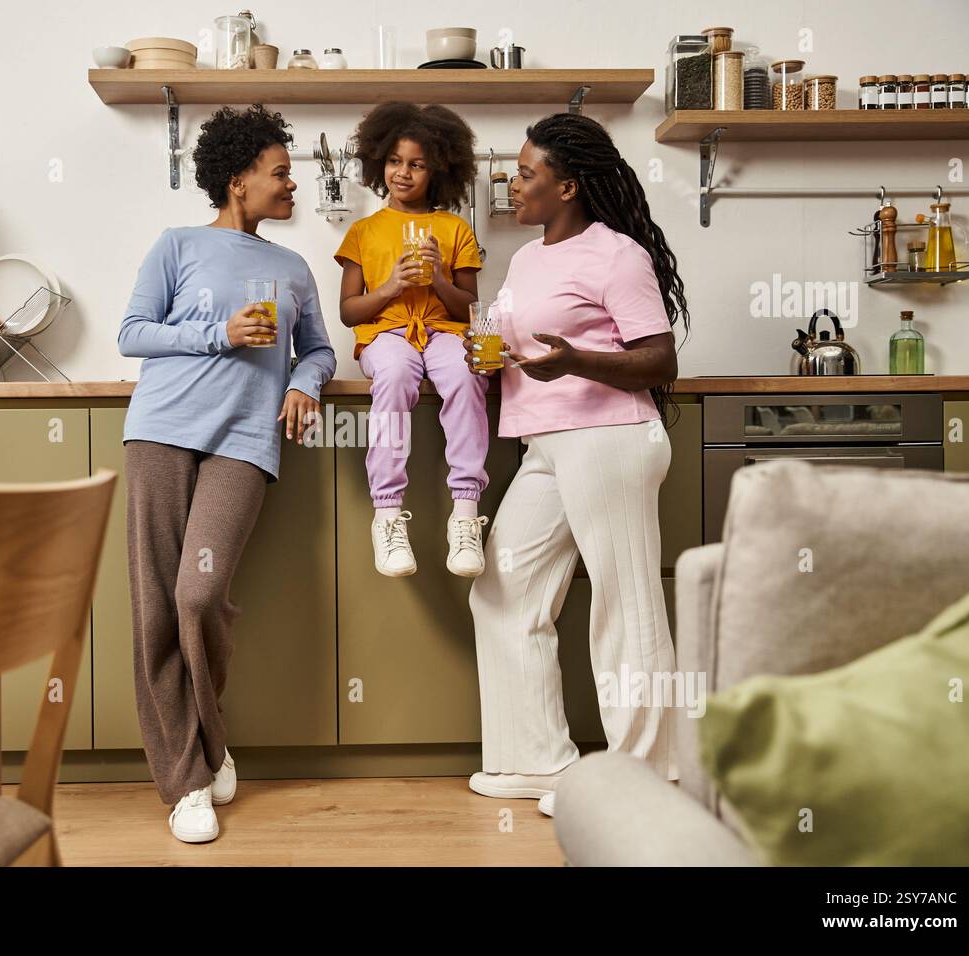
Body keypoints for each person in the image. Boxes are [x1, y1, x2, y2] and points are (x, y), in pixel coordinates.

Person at [118, 104, 336, 843]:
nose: (292, 184)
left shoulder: (293, 267)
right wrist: (220, 332)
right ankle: (186, 782)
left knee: (199, 594)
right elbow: (132, 334)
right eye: (281, 172)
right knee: (154, 610)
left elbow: (320, 350)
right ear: (239, 180)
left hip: (245, 440)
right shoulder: (177, 245)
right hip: (160, 432)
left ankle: (211, 743)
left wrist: (306, 381)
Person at [464, 112, 688, 818]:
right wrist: (485, 356)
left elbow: (659, 359)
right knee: (502, 590)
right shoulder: (528, 259)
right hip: (545, 444)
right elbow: (513, 345)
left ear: (566, 186)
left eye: (527, 173)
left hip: (611, 438)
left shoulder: (615, 254)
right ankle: (538, 762)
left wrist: (575, 361)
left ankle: (645, 775)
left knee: (625, 605)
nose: (514, 182)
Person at [335, 102, 490, 578]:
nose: (403, 173)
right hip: (385, 334)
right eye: (395, 161)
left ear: (438, 169)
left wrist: (440, 278)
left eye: (417, 164)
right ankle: (387, 515)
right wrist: (392, 287)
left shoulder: (454, 228)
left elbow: (470, 309)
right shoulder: (362, 231)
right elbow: (348, 312)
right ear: (379, 162)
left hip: (444, 331)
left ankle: (465, 514)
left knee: (468, 374)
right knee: (396, 375)